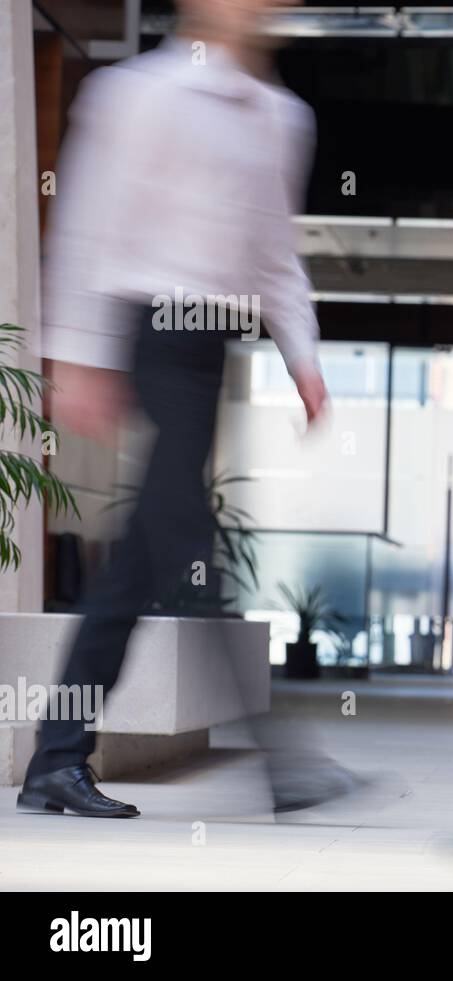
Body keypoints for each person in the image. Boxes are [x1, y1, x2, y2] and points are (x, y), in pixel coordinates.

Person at [19, 0, 351, 818]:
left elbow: (275, 255)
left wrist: (302, 355)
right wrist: (79, 357)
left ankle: (54, 759)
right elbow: (86, 227)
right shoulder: (138, 93)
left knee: (145, 558)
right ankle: (283, 764)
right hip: (147, 330)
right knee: (185, 543)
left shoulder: (283, 116)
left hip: (210, 348)